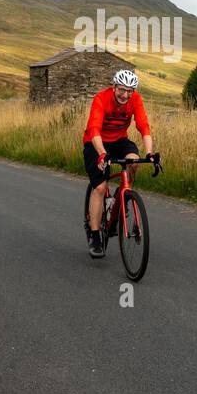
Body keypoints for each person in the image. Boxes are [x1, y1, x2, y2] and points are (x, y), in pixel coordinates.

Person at [83, 68, 153, 255]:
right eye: (122, 89)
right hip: (95, 142)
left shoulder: (135, 99)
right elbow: (95, 130)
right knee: (99, 187)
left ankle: (120, 199)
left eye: (130, 91)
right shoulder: (101, 99)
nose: (125, 94)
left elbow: (143, 126)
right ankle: (96, 236)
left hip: (120, 140)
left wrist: (150, 152)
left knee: (134, 161)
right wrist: (102, 154)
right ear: (114, 87)